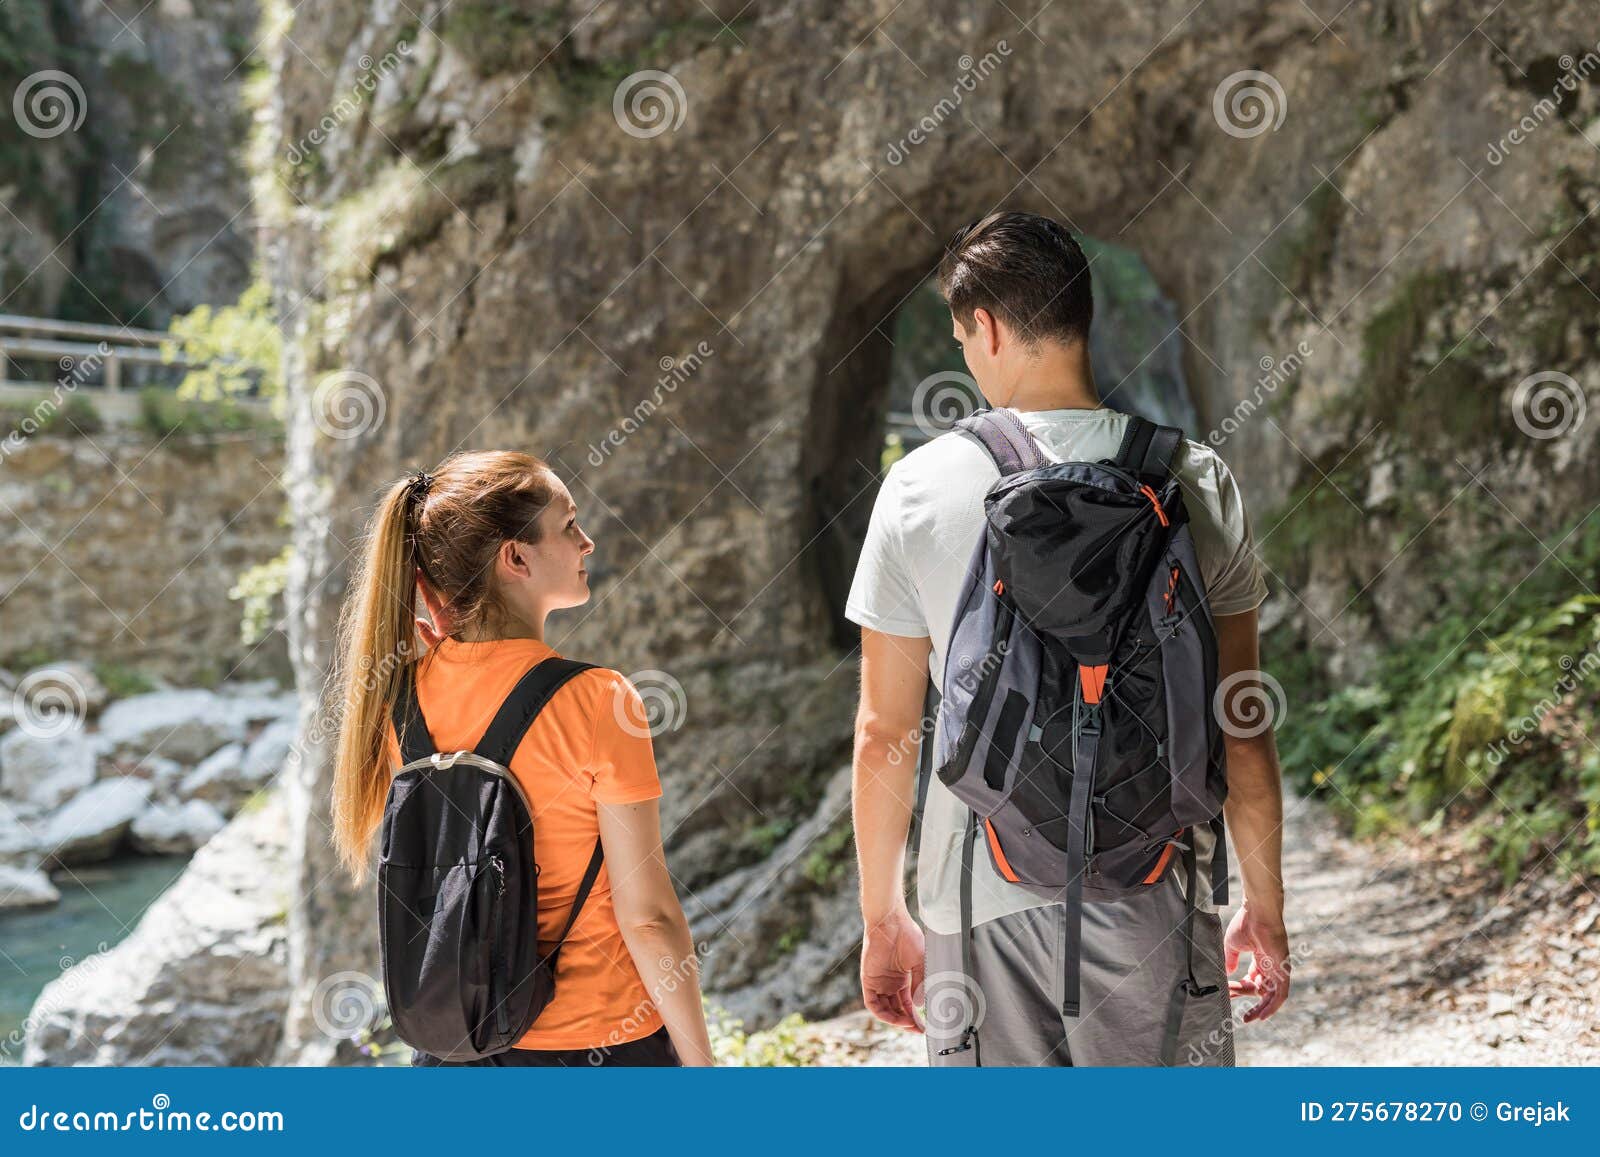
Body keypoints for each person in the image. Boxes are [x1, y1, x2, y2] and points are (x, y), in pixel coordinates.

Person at [847, 211, 1292, 1066]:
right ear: (1081, 316)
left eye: (962, 337)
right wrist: (1264, 905)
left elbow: (883, 733)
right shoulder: (1193, 476)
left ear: (986, 327)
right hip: (1160, 881)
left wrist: (884, 916)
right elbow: (1242, 719)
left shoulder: (919, 487)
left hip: (978, 897)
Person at [329, 449, 714, 1067]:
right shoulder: (599, 699)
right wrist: (703, 1069)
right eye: (568, 525)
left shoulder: (397, 700)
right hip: (600, 1043)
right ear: (515, 557)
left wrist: (445, 666)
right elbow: (648, 918)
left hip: (457, 1044)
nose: (587, 542)